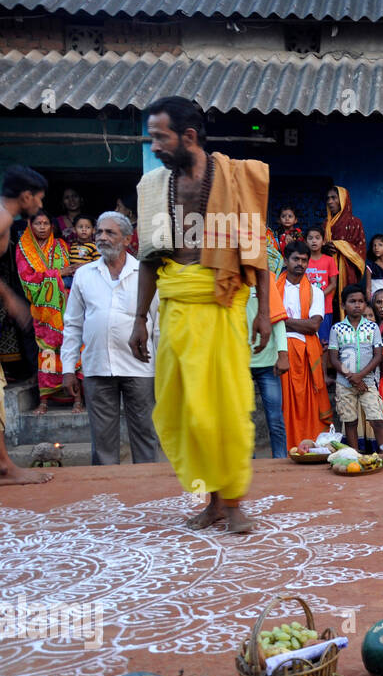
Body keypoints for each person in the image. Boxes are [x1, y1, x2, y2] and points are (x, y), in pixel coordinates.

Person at [131, 95, 272, 532]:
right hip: (177, 305)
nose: (153, 145)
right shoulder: (155, 187)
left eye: (160, 137)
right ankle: (211, 501)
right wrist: (140, 318)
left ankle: (232, 504)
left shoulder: (236, 177)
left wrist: (264, 313)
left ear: (187, 136)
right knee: (188, 411)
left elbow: (256, 253)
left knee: (225, 408)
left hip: (223, 304)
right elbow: (151, 258)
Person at [60, 210, 161, 465]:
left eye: (110, 232)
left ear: (127, 239)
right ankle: (107, 497)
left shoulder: (146, 274)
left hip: (140, 367)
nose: (101, 237)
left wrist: (161, 370)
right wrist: (68, 368)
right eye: (99, 232)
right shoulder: (85, 274)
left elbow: (158, 324)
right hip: (97, 367)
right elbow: (72, 324)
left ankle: (147, 493)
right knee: (102, 442)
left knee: (146, 436)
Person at [0, 166, 52, 485]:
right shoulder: (3, 219)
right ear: (26, 196)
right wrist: (9, 298)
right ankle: (5, 467)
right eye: (40, 199)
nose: (40, 206)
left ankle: (3, 465)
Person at [15, 209, 73, 413]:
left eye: (46, 223)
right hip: (41, 310)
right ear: (31, 226)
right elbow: (27, 280)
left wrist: (58, 275)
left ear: (52, 226)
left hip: (63, 307)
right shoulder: (23, 249)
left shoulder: (61, 246)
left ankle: (76, 397)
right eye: (38, 223)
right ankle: (46, 398)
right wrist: (57, 273)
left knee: (70, 347)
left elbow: (69, 276)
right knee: (46, 351)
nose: (42, 227)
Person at [277, 241, 332, 452]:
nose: (300, 264)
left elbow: (313, 325)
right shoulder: (274, 288)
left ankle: (310, 446)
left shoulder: (315, 292)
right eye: (296, 259)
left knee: (309, 404)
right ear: (286, 260)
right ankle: (287, 448)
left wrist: (282, 320)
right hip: (281, 353)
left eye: (304, 260)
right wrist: (295, 322)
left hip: (307, 355)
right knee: (285, 406)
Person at [327, 283, 383, 450]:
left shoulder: (372, 327)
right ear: (343, 305)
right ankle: (353, 455)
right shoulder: (337, 328)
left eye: (361, 301)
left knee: (377, 420)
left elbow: (378, 356)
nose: (357, 305)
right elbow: (333, 358)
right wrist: (351, 377)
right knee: (350, 421)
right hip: (345, 383)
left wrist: (360, 376)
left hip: (367, 382)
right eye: (352, 301)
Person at [247, 275, 288, 459]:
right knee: (242, 419)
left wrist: (282, 354)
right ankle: (247, 462)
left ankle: (279, 462)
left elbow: (278, 320)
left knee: (275, 419)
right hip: (239, 363)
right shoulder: (228, 277)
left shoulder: (266, 279)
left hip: (268, 363)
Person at [324, 185, 366, 315]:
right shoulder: (326, 224)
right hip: (328, 273)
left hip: (347, 273)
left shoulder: (355, 223)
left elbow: (360, 250)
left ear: (343, 200)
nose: (330, 201)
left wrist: (338, 245)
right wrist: (325, 247)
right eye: (328, 198)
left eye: (334, 198)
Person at [303, 225, 338, 347]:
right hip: (305, 306)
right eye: (310, 238)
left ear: (323, 242)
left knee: (323, 343)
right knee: (307, 341)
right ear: (305, 241)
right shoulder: (303, 261)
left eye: (317, 238)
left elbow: (333, 284)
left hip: (325, 307)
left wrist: (318, 295)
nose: (314, 241)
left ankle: (323, 366)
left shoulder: (329, 260)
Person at [64, 214, 99, 288]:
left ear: (93, 230)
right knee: (60, 282)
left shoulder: (95, 246)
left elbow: (98, 263)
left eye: (88, 227)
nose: (84, 229)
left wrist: (84, 266)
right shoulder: (72, 245)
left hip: (87, 278)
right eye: (80, 227)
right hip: (72, 277)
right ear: (74, 229)